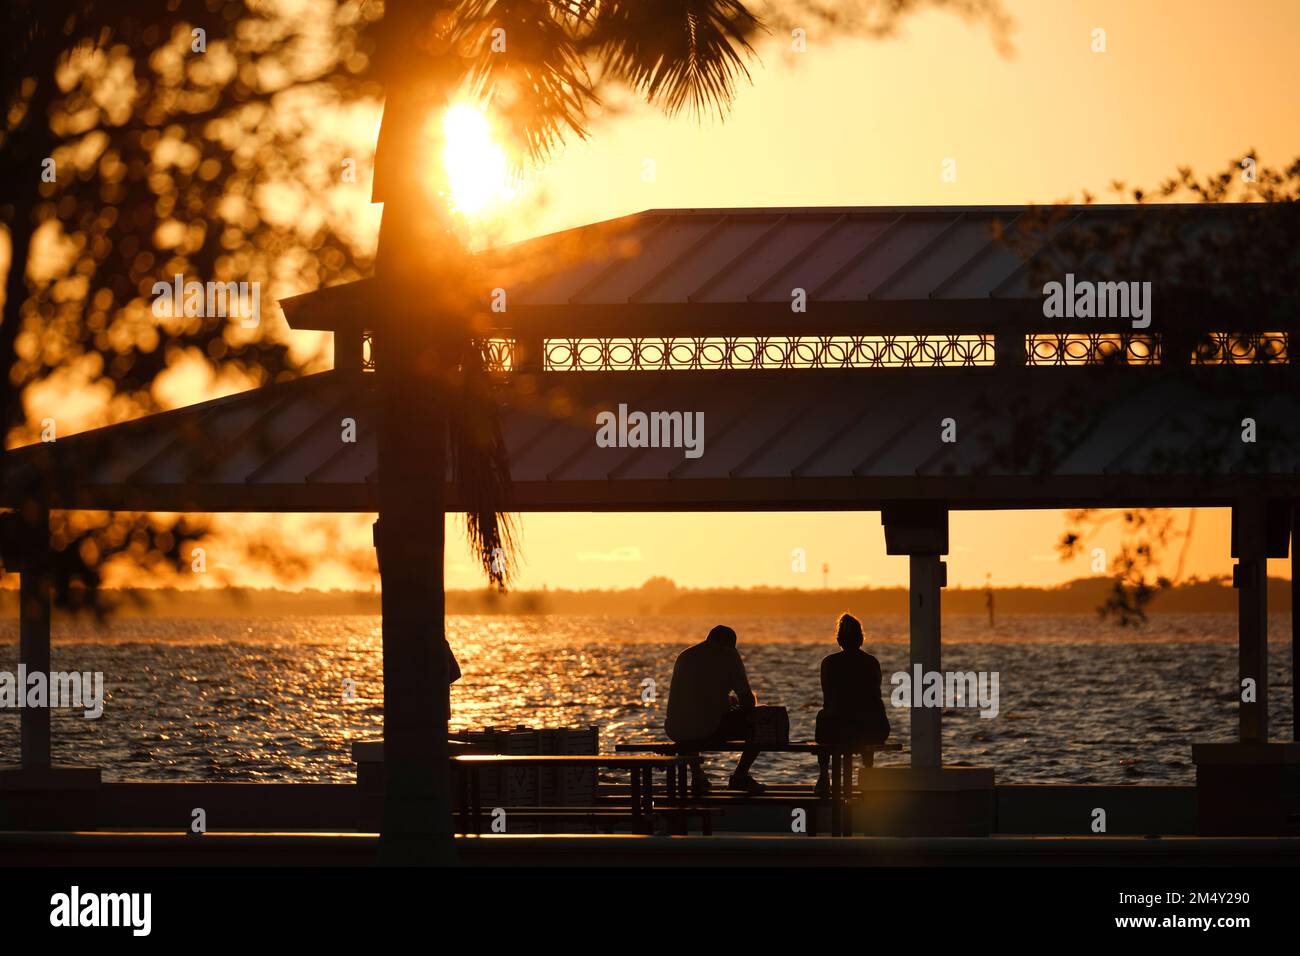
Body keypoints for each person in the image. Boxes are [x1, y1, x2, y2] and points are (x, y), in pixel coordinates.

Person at [664, 624, 765, 794]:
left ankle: (697, 776)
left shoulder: (685, 655)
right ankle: (740, 777)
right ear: (731, 643)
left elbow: (696, 697)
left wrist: (726, 701)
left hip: (675, 728)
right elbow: (747, 699)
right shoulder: (728, 654)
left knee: (692, 716)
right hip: (707, 729)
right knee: (762, 727)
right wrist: (743, 709)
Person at [814, 613, 890, 798]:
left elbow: (828, 699)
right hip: (872, 728)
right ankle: (869, 769)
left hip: (840, 729)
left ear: (839, 639)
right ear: (861, 638)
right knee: (869, 713)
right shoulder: (871, 662)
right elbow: (874, 697)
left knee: (823, 717)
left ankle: (824, 775)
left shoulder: (829, 662)